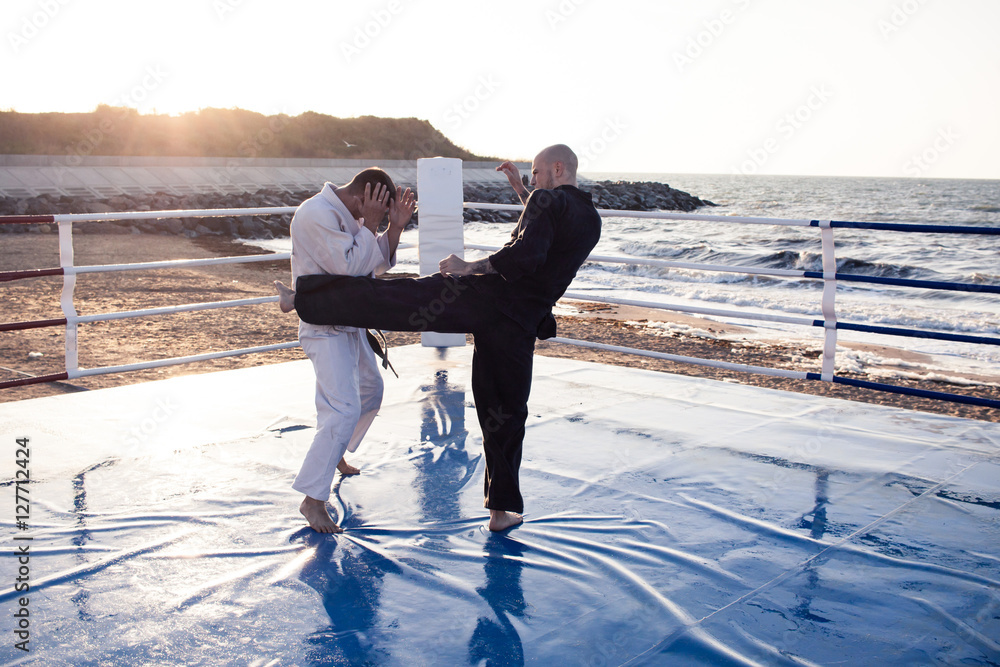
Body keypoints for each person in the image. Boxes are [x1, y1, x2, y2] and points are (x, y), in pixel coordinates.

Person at [276, 145, 600, 531]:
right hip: (519, 323)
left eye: (535, 172)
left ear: (557, 167)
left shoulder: (546, 200)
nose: (532, 180)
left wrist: (469, 266)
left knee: (402, 296)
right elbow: (549, 221)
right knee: (505, 415)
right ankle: (502, 510)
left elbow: (525, 254)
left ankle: (302, 297)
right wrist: (519, 191)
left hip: (484, 300)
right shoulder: (589, 218)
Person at [289, 167, 416, 534]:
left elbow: (372, 266)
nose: (366, 218)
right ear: (362, 197)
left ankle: (336, 447)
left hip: (350, 319)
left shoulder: (350, 217)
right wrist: (373, 224)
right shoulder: (316, 214)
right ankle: (313, 501)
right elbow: (348, 267)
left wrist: (394, 227)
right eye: (369, 209)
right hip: (323, 327)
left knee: (370, 392)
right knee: (343, 408)